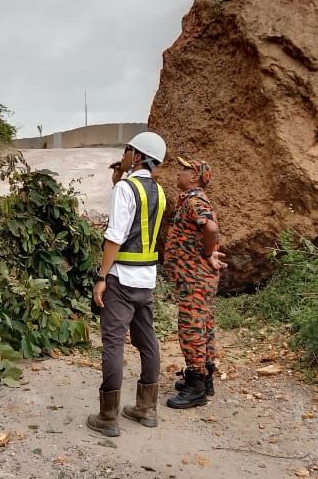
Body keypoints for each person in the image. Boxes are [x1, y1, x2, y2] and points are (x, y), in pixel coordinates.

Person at [86, 132, 167, 437]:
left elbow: (116, 235)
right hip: (146, 279)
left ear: (137, 155)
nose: (123, 153)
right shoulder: (158, 192)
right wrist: (121, 174)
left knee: (113, 343)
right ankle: (146, 408)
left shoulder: (125, 188)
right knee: (147, 342)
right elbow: (136, 218)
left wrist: (101, 277)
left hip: (120, 278)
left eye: (127, 150)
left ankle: (108, 417)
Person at [163, 156, 225, 409]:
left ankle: (196, 387)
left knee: (191, 329)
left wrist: (207, 252)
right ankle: (205, 377)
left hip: (195, 277)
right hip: (199, 277)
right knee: (204, 327)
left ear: (194, 177)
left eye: (185, 169)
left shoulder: (195, 201)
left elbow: (210, 228)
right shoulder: (191, 200)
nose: (180, 172)